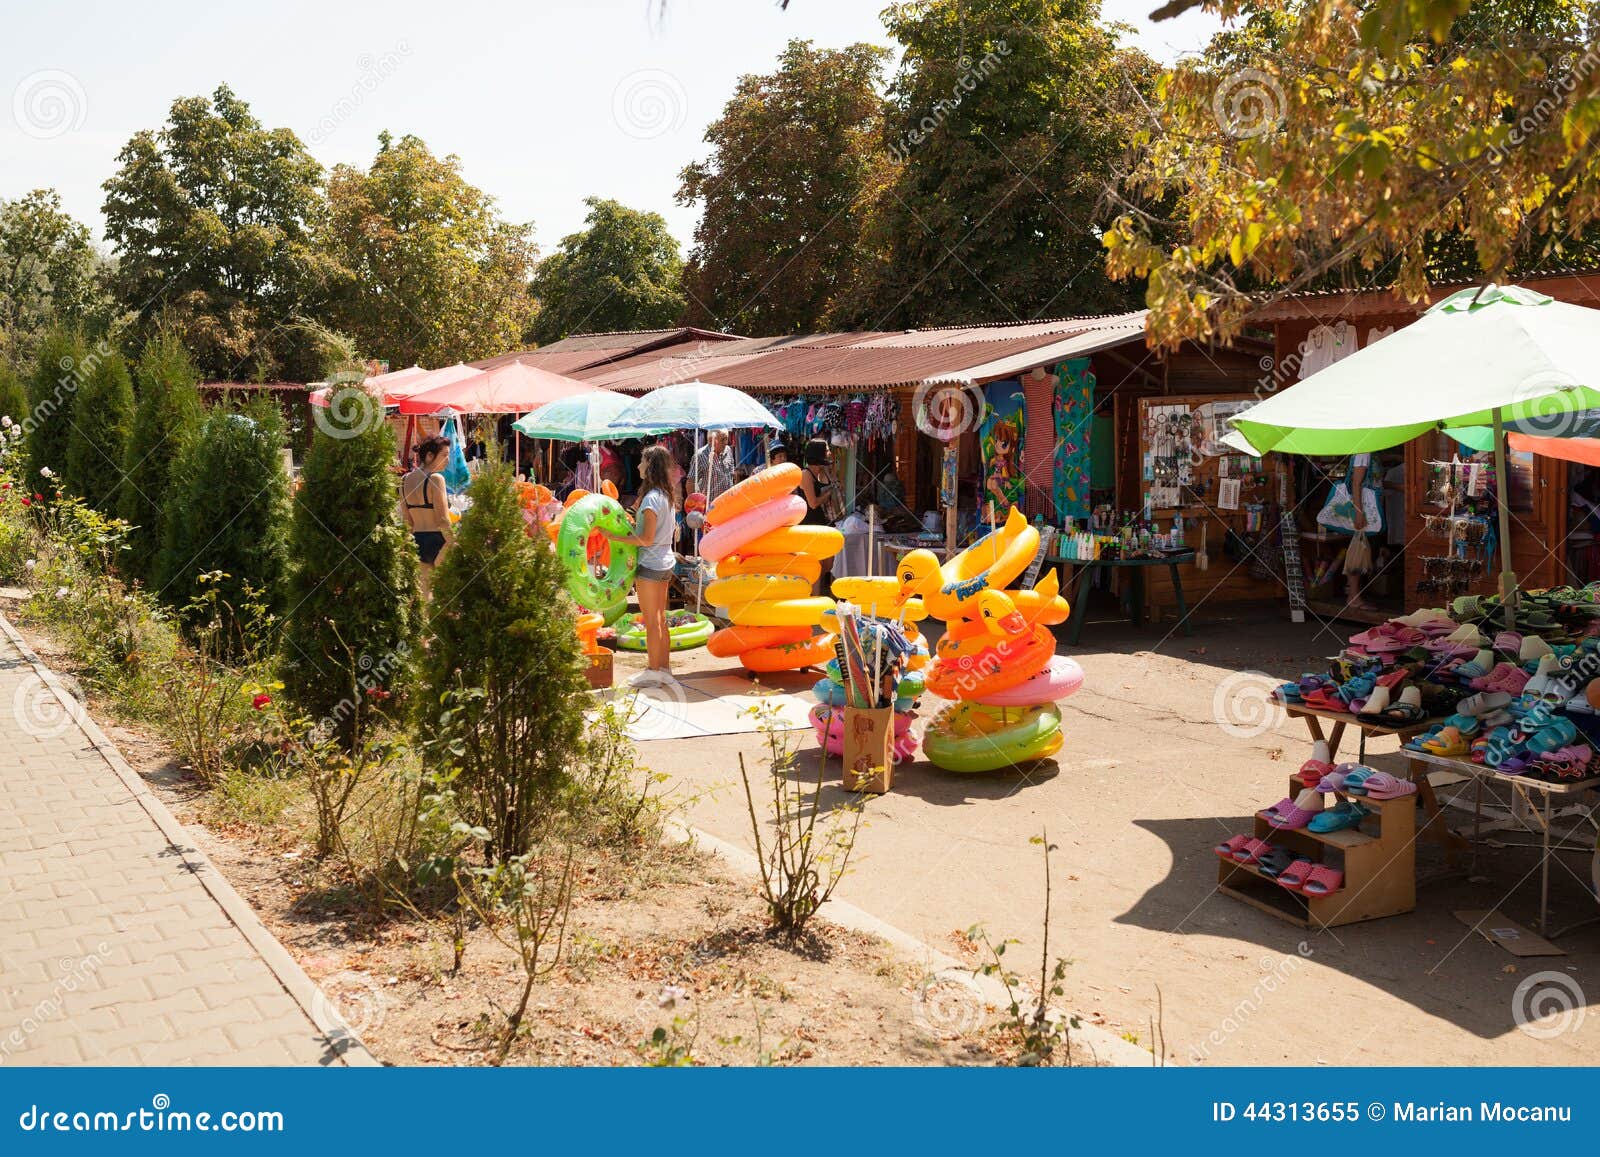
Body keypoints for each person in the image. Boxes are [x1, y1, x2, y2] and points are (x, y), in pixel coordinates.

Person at [606, 443, 679, 685]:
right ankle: (665, 670)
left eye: (642, 462)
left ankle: (652, 669)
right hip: (665, 563)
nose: (638, 465)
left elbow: (645, 539)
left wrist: (614, 537)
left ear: (650, 467)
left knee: (651, 620)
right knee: (660, 618)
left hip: (650, 565)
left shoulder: (650, 500)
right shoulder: (665, 496)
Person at [400, 436, 454, 597]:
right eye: (444, 455)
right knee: (446, 598)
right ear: (429, 456)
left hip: (418, 541)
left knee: (423, 598)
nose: (448, 460)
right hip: (439, 541)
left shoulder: (404, 481)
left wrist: (406, 548)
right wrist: (453, 543)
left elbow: (407, 522)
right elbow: (443, 520)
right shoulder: (436, 479)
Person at [798, 438, 839, 595]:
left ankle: (811, 591)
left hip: (826, 523)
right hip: (811, 524)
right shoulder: (806, 474)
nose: (829, 452)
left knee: (828, 563)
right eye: (826, 449)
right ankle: (813, 598)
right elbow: (813, 503)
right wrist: (828, 495)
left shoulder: (824, 472)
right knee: (816, 564)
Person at [1344, 452, 1377, 611]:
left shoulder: (1367, 452)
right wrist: (1359, 512)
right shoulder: (1364, 453)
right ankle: (1354, 597)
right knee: (1357, 551)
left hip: (1367, 509)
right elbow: (1356, 482)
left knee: (1361, 550)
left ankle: (1354, 595)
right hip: (1364, 509)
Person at [690, 431, 735, 504]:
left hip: (727, 502)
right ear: (712, 440)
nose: (726, 442)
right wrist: (695, 504)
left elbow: (731, 474)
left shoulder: (728, 450)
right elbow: (691, 482)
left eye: (727, 438)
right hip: (709, 505)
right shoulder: (700, 455)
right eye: (723, 439)